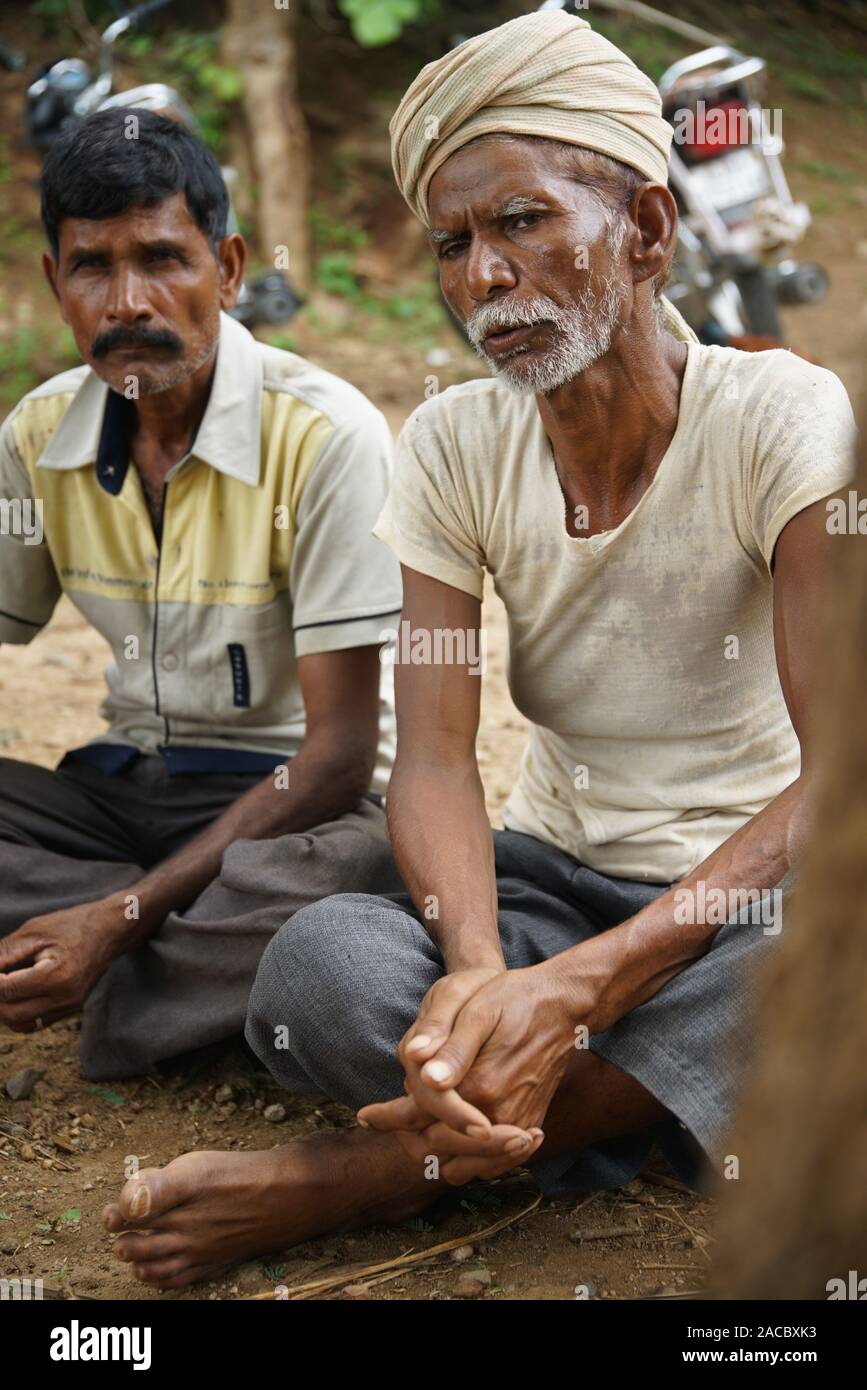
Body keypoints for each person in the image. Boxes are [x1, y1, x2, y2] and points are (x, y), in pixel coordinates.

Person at [101, 11, 856, 1290]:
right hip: (554, 879)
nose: (482, 278)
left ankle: (375, 1173)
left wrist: (591, 987)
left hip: (745, 898)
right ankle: (628, 1103)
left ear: (650, 233)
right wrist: (483, 974)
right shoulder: (452, 444)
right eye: (454, 243)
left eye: (523, 223)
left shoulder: (781, 417)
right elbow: (438, 761)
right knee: (325, 965)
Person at [0, 108, 403, 1080]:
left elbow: (342, 757)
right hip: (120, 795)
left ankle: (109, 975)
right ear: (57, 284)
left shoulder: (327, 437)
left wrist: (119, 916)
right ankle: (186, 985)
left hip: (291, 810)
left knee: (362, 874)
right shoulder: (36, 434)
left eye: (163, 258)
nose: (128, 300)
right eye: (92, 266)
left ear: (227, 269)